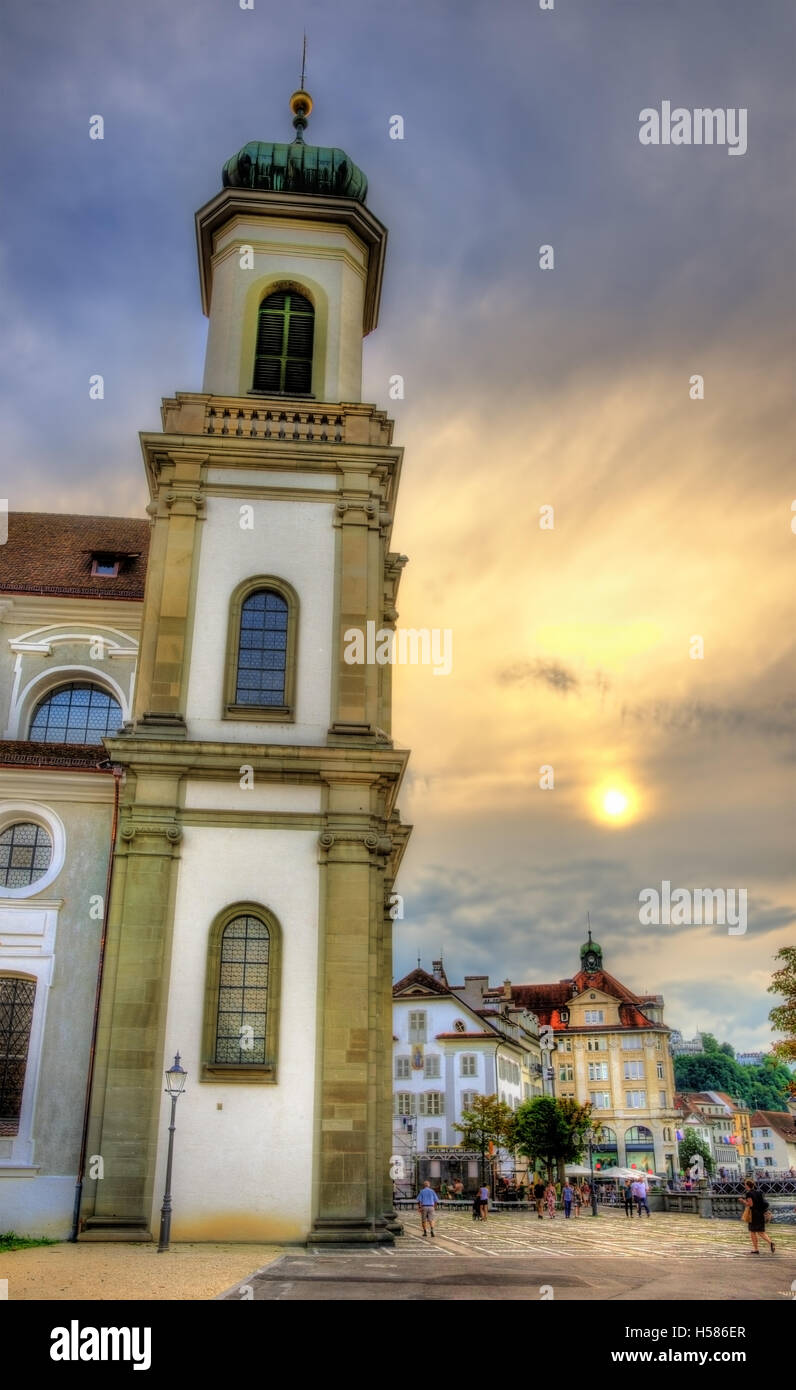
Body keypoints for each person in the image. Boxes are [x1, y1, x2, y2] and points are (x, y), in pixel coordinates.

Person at [739, 1178, 775, 1255]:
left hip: (754, 1214)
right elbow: (762, 1203)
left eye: (745, 1185)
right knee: (761, 1231)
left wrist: (743, 1201)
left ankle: (756, 1249)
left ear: (747, 1186)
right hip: (761, 1213)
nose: (745, 1186)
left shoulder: (749, 1194)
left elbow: (750, 1204)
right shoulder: (759, 1192)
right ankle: (771, 1242)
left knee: (752, 1231)